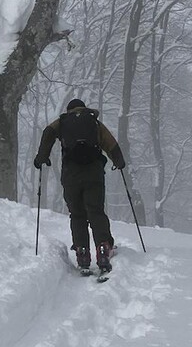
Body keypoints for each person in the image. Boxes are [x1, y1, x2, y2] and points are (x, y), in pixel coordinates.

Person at [33, 99, 126, 274]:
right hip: (94, 175)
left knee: (77, 214)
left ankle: (83, 252)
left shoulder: (62, 122)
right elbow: (111, 143)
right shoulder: (94, 123)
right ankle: (103, 248)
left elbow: (48, 132)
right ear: (83, 108)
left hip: (71, 176)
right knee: (96, 211)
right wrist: (119, 162)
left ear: (69, 110)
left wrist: (41, 157)